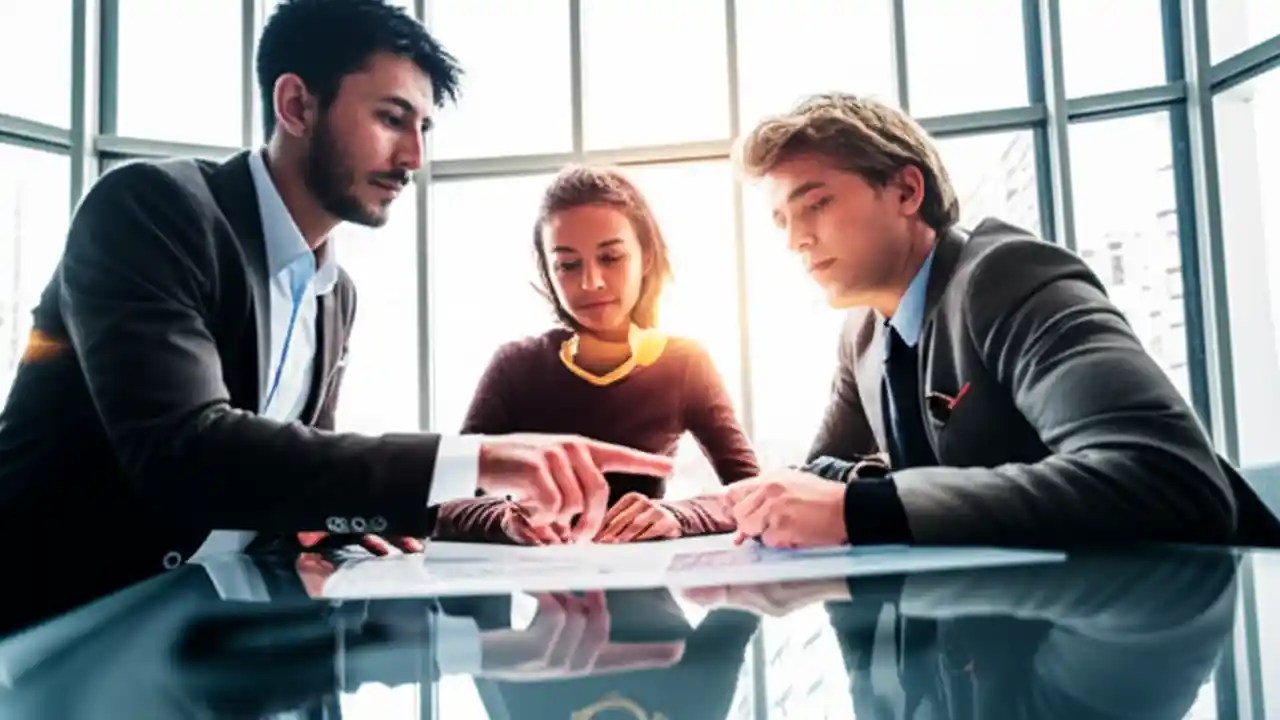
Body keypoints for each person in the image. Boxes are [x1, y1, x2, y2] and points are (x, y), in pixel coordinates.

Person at [0, 0, 671, 627]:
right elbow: (185, 454)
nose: (414, 157)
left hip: (207, 636)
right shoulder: (151, 209)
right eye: (391, 118)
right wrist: (483, 458)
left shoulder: (334, 293)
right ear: (296, 104)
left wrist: (338, 516)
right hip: (54, 631)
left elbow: (290, 479)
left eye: (424, 128)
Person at [724, 92, 1280, 549]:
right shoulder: (865, 334)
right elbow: (812, 477)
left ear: (907, 191)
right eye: (782, 220)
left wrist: (868, 506)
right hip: (1007, 636)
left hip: (1191, 628)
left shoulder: (1006, 277)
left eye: (816, 204)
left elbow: (1166, 479)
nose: (797, 238)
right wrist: (692, 516)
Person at [435, 165, 759, 544]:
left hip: (643, 582)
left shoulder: (684, 362)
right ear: (549, 274)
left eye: (611, 257)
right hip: (541, 583)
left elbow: (753, 494)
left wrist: (678, 515)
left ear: (647, 258)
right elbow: (446, 505)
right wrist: (507, 520)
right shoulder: (516, 366)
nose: (591, 282)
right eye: (569, 265)